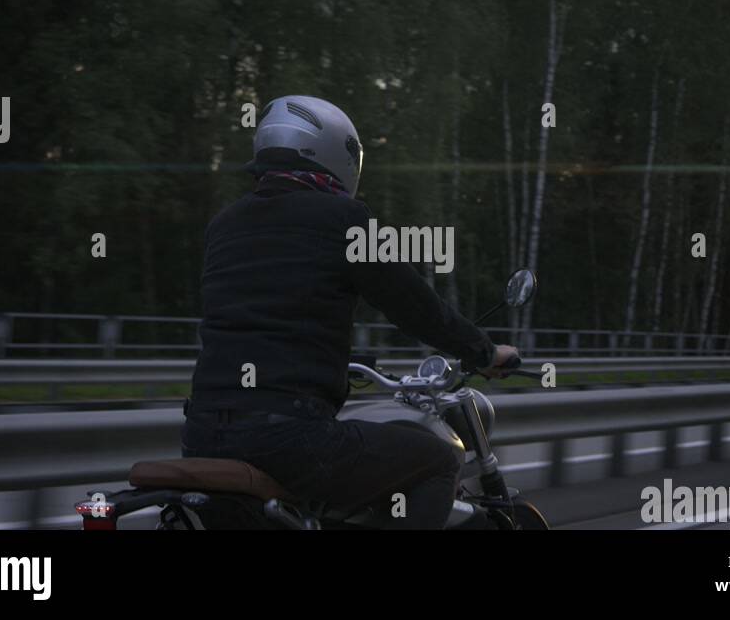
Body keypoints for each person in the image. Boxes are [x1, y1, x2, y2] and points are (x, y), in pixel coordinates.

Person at [182, 95, 520, 529]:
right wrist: (485, 352)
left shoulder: (224, 224)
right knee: (437, 459)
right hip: (286, 438)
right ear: (332, 154)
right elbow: (417, 306)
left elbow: (260, 317)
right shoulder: (344, 218)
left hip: (201, 436)